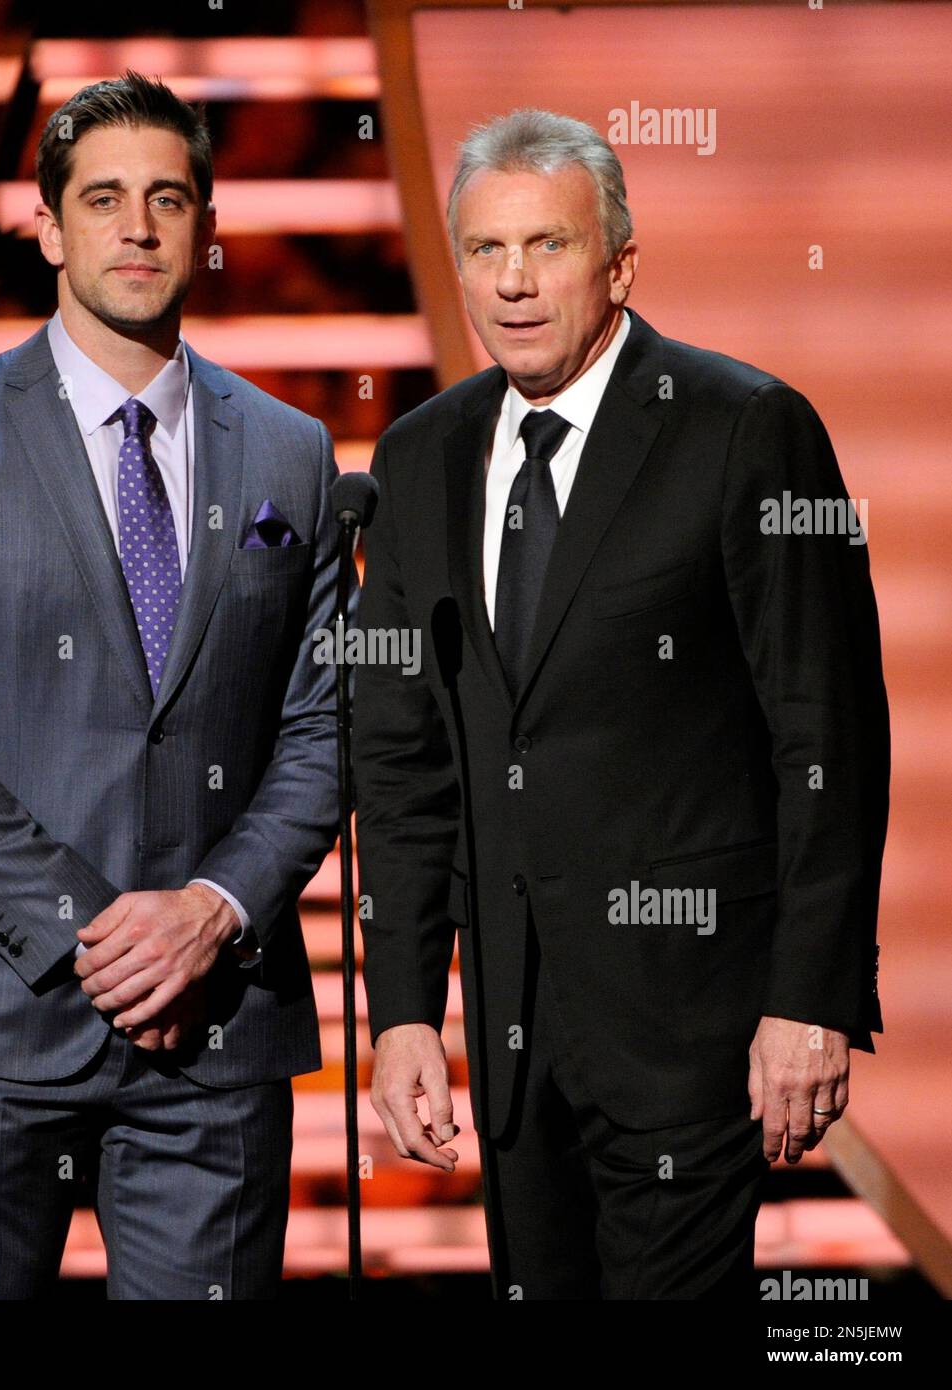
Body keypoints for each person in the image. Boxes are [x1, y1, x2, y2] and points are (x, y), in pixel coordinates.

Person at [352, 108, 889, 1299]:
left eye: (546, 246)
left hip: (691, 1032)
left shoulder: (742, 428)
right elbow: (399, 764)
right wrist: (400, 1011)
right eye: (484, 251)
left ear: (619, 263)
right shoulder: (416, 460)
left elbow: (826, 737)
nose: (512, 282)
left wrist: (809, 998)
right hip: (508, 1038)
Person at [0, 70, 347, 1299]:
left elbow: (329, 721)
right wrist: (100, 939)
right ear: (49, 227)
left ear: (206, 229)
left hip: (217, 1027)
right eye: (105, 198)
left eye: (168, 199)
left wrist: (212, 911)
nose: (137, 227)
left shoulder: (292, 449)